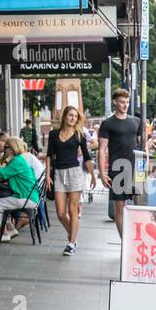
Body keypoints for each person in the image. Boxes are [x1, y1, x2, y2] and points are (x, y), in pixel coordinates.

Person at [46, 106, 94, 255]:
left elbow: (86, 157)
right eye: (70, 115)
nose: (73, 118)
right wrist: (48, 175)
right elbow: (49, 155)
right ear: (65, 117)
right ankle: (73, 235)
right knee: (60, 213)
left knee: (73, 210)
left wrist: (92, 175)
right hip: (59, 174)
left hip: (75, 174)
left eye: (75, 116)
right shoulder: (54, 134)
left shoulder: (79, 134)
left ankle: (71, 243)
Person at [98, 87, 144, 238]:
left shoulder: (136, 121)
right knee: (119, 208)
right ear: (115, 103)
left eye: (127, 102)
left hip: (135, 170)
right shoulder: (107, 124)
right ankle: (125, 242)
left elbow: (143, 147)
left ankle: (137, 239)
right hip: (117, 170)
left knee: (139, 206)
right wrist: (102, 173)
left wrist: (147, 166)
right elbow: (102, 149)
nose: (125, 105)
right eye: (122, 102)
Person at [0, 137, 40, 241]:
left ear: (11, 148)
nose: (4, 150)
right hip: (28, 196)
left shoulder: (17, 161)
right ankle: (10, 229)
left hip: (26, 197)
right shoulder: (19, 159)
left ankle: (4, 233)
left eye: (6, 147)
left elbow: (2, 174)